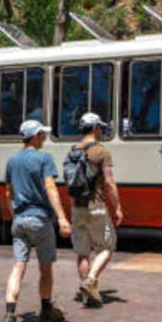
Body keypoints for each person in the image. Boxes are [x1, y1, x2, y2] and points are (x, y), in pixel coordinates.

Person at [1, 119, 72, 322]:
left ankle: (10, 315)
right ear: (33, 136)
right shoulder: (44, 158)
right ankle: (46, 310)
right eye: (41, 134)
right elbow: (50, 187)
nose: (44, 138)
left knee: (18, 268)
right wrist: (62, 218)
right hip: (40, 219)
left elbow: (8, 194)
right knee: (45, 269)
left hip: (20, 219)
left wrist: (15, 217)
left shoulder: (12, 161)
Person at [68, 112, 123, 307]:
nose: (100, 131)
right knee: (107, 247)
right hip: (96, 207)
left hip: (76, 207)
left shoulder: (73, 151)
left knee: (83, 253)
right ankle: (91, 280)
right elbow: (109, 182)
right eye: (99, 127)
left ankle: (87, 293)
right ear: (94, 128)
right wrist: (117, 208)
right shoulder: (101, 151)